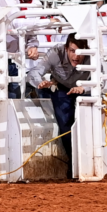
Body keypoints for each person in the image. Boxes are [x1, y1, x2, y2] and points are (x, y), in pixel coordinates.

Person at [27, 33, 88, 166]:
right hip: (62, 89)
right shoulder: (56, 53)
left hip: (86, 90)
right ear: (66, 49)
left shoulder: (92, 54)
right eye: (72, 51)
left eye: (79, 52)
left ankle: (85, 161)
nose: (76, 56)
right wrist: (40, 82)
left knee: (88, 124)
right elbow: (34, 72)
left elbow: (101, 82)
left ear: (86, 49)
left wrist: (84, 88)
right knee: (65, 125)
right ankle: (74, 163)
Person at [0, 0, 42, 97]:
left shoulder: (37, 4)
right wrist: (45, 22)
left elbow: (31, 32)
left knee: (17, 97)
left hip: (19, 59)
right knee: (1, 95)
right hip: (0, 54)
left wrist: (33, 45)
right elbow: (15, 22)